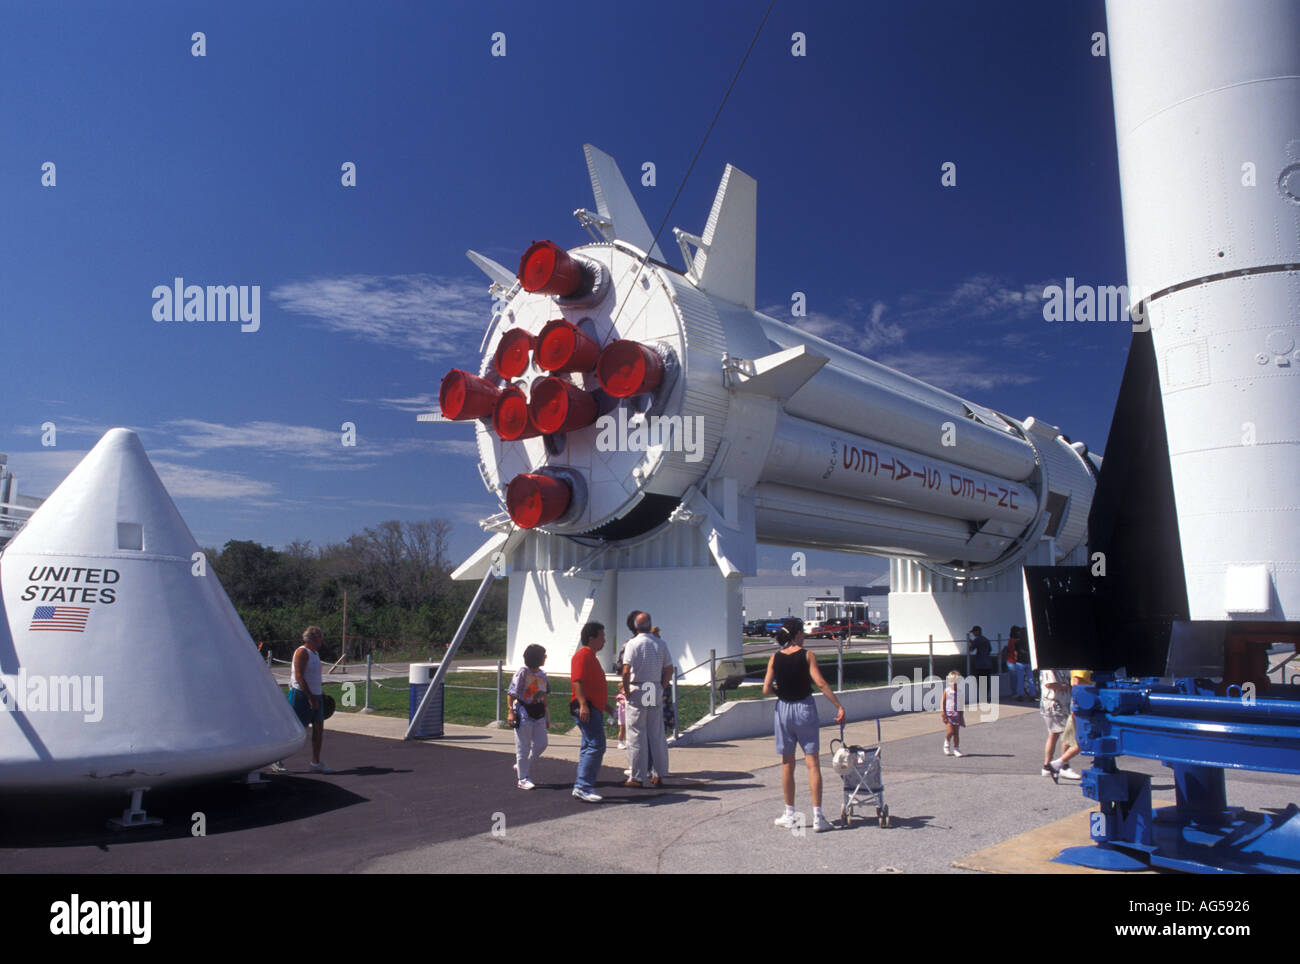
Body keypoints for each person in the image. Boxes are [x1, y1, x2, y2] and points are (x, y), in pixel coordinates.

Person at [762, 617, 846, 833]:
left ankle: (790, 814)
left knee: (787, 763)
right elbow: (820, 683)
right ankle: (818, 817)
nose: (805, 636)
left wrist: (781, 693)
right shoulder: (808, 655)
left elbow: (766, 688)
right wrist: (838, 706)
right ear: (798, 634)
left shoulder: (774, 658)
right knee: (812, 762)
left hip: (783, 709)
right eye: (803, 633)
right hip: (804, 709)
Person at [622, 612, 672, 788]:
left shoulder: (633, 644)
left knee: (636, 734)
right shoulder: (660, 643)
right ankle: (658, 773)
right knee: (655, 733)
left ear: (635, 626)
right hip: (653, 687)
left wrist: (626, 690)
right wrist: (662, 686)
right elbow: (669, 669)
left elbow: (626, 670)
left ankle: (637, 776)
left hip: (639, 687)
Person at [570, 621, 609, 803]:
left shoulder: (591, 657)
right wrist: (583, 704)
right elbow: (577, 681)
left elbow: (593, 686)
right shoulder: (582, 656)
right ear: (591, 638)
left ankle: (581, 785)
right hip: (587, 708)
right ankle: (583, 787)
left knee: (589, 746)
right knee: (596, 745)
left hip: (593, 707)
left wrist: (607, 707)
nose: (605, 640)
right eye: (602, 636)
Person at [289, 625, 333, 774]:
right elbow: (299, 676)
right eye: (320, 636)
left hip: (316, 695)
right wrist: (310, 697)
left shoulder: (315, 653)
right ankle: (276, 760)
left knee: (319, 729)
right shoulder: (302, 652)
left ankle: (315, 762)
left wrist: (319, 693)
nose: (322, 639)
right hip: (301, 695)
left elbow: (313, 676)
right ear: (312, 638)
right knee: (295, 730)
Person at [506, 644, 549, 790]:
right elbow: (511, 693)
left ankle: (521, 766)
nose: (545, 657)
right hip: (524, 712)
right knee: (523, 747)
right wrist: (510, 712)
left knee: (542, 743)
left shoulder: (543, 675)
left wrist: (547, 714)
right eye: (543, 655)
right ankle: (523, 779)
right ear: (536, 658)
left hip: (539, 712)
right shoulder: (522, 673)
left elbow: (543, 695)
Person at [1040, 668, 1081, 781]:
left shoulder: (1062, 668)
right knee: (1066, 733)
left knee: (1054, 734)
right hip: (1054, 704)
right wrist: (1066, 687)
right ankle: (1063, 765)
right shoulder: (1049, 669)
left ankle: (1047, 765)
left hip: (1061, 703)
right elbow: (1049, 684)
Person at [941, 669, 965, 757]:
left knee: (956, 733)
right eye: (951, 681)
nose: (953, 683)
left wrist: (961, 715)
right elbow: (943, 702)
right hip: (949, 715)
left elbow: (961, 705)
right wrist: (943, 713)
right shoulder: (947, 691)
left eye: (955, 682)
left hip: (957, 714)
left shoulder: (960, 692)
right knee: (950, 732)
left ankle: (956, 749)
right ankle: (946, 744)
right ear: (948, 682)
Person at [1003, 626, 1028, 701]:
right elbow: (1015, 651)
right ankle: (1016, 693)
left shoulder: (1011, 640)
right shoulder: (1015, 641)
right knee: (1015, 678)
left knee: (1015, 678)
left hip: (1011, 661)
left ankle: (1016, 692)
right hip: (1013, 661)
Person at [967, 625, 992, 690]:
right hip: (988, 664)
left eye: (974, 632)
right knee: (987, 682)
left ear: (977, 632)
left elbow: (971, 649)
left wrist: (969, 642)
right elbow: (989, 649)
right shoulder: (986, 639)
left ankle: (983, 695)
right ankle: (986, 695)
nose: (973, 633)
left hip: (981, 665)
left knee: (981, 682)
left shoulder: (977, 639)